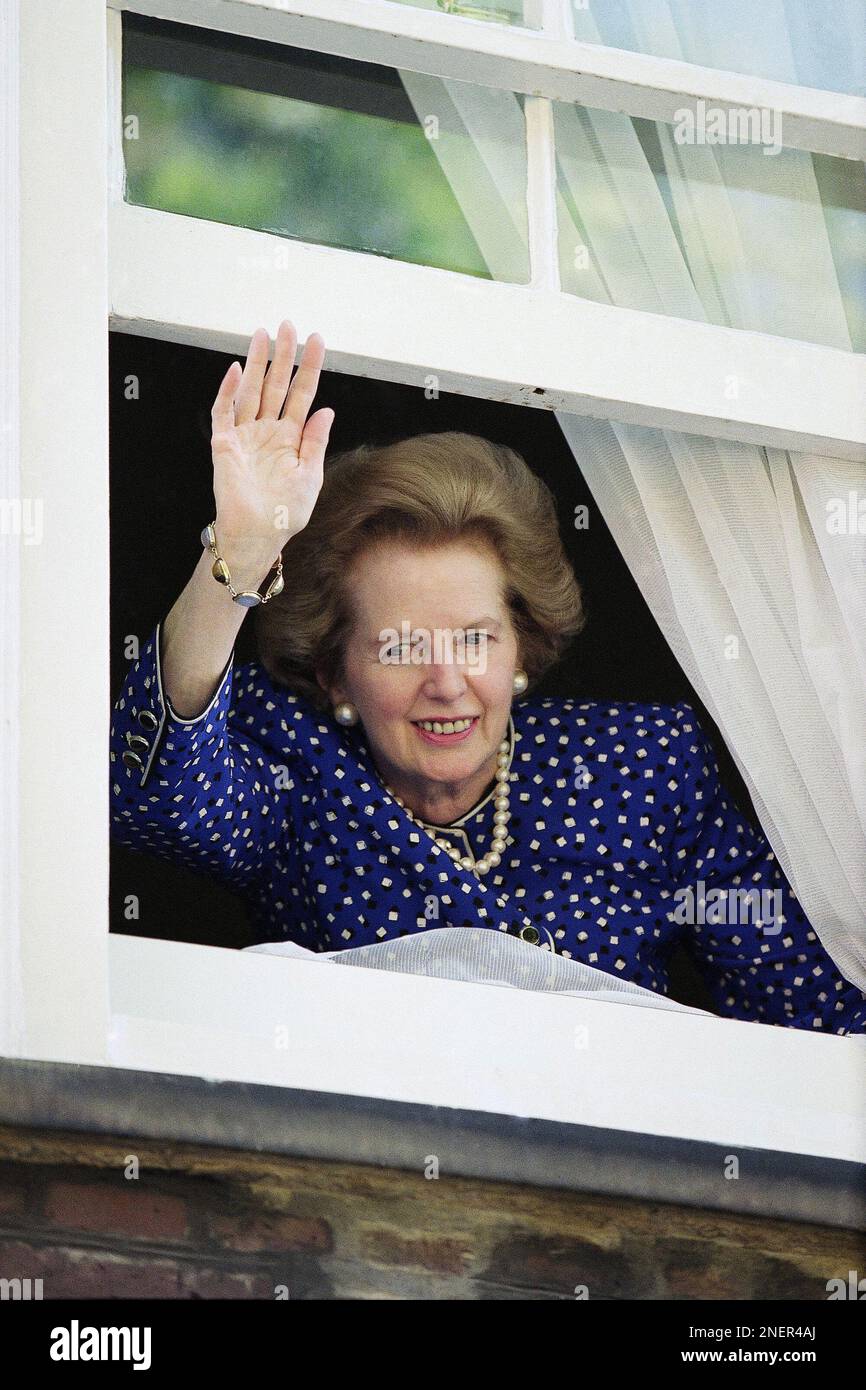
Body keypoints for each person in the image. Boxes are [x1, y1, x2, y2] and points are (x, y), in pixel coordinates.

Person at [110, 320, 866, 1034]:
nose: (446, 681)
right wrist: (240, 555)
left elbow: (809, 1007)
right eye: (400, 648)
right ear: (333, 675)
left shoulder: (645, 766)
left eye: (475, 640)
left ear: (522, 649)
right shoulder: (296, 774)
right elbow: (151, 793)